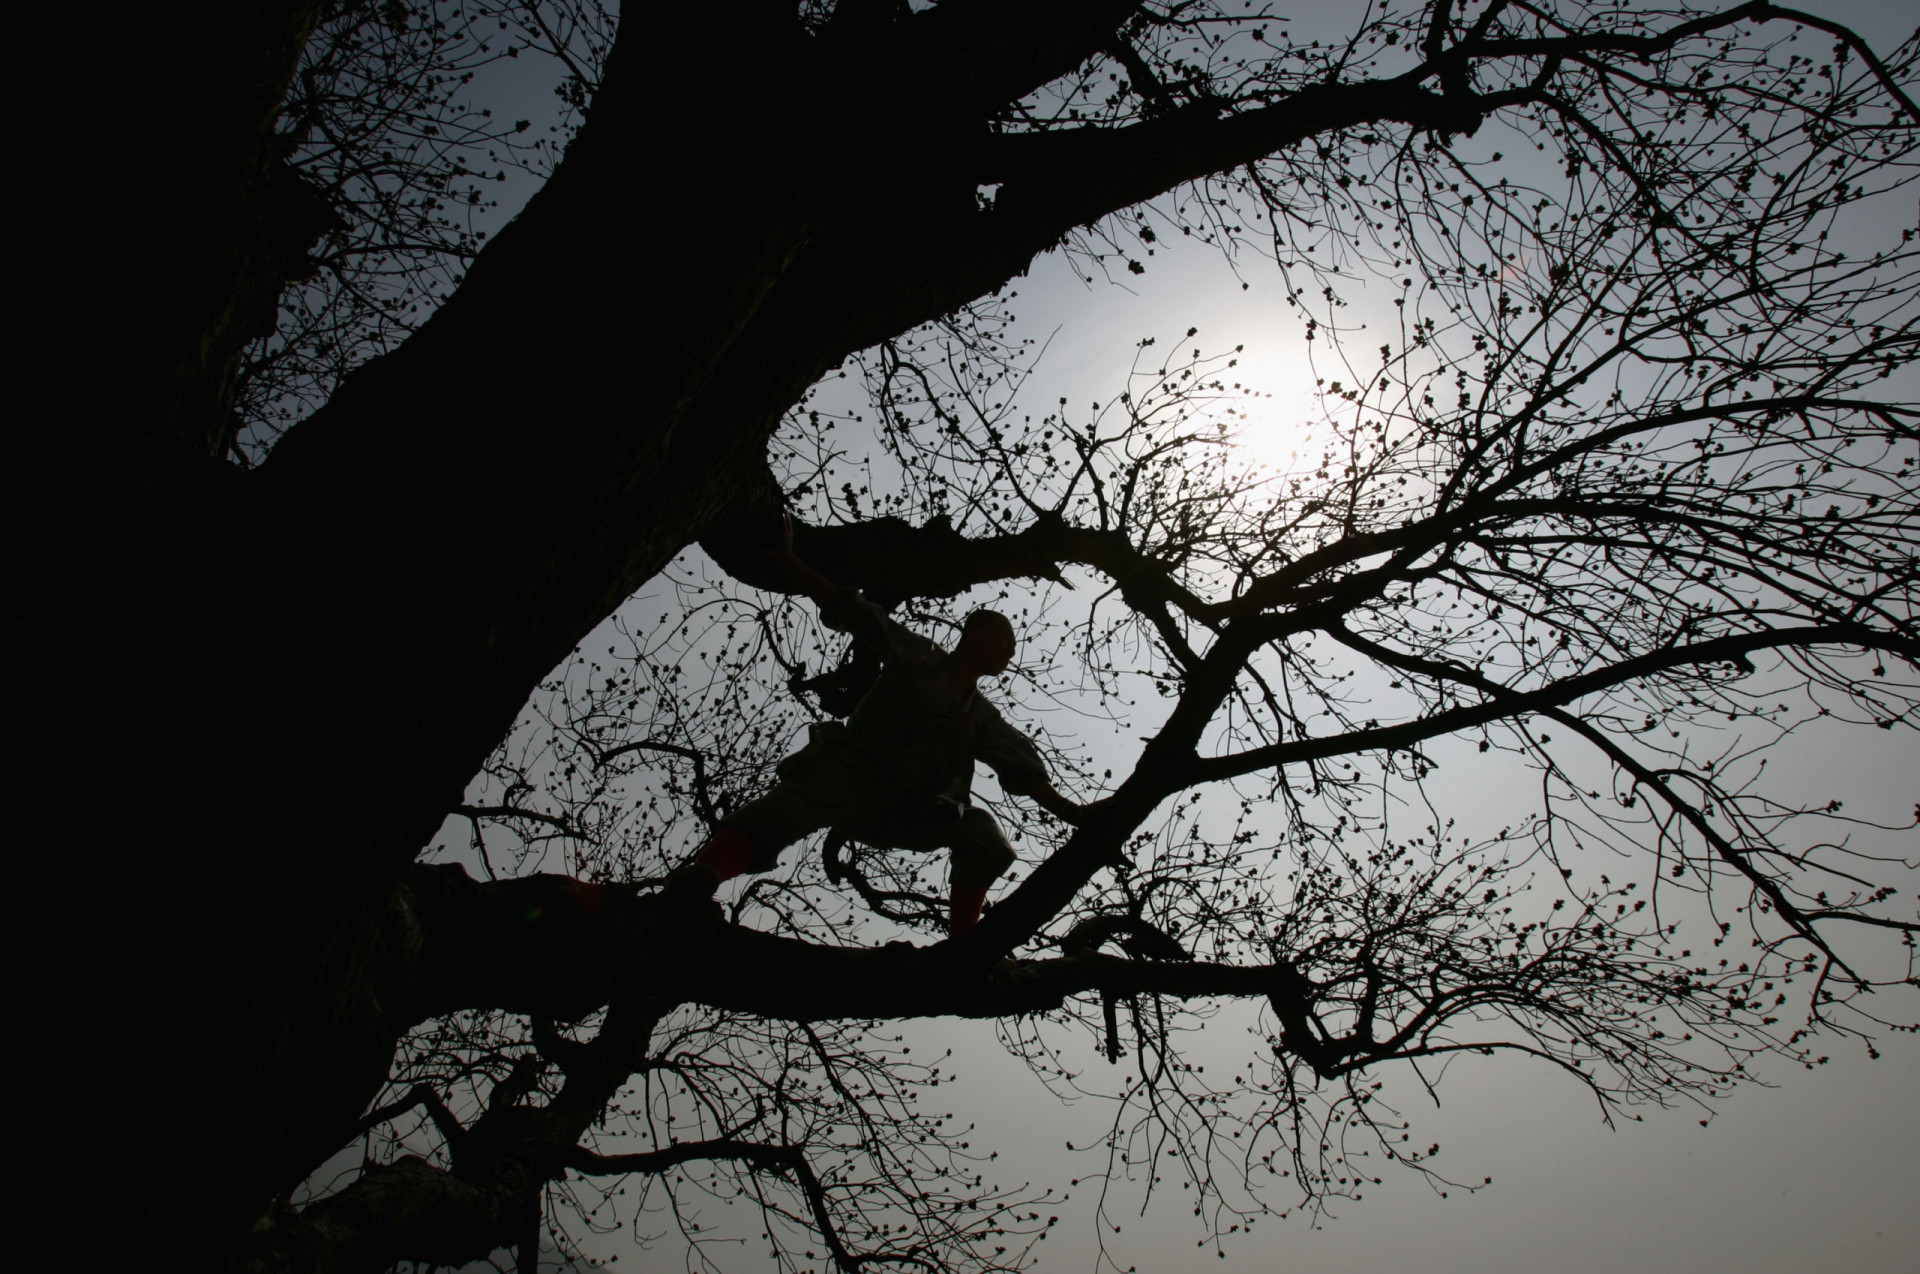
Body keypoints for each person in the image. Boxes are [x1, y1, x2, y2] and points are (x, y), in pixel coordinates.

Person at [666, 513, 1093, 935]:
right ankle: (703, 875)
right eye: (1005, 639)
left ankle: (964, 942)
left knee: (985, 838)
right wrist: (790, 562)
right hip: (853, 776)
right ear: (976, 631)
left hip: (912, 809)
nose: (1010, 652)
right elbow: (858, 613)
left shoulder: (983, 716)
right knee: (783, 808)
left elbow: (1019, 764)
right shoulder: (919, 656)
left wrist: (1073, 813)